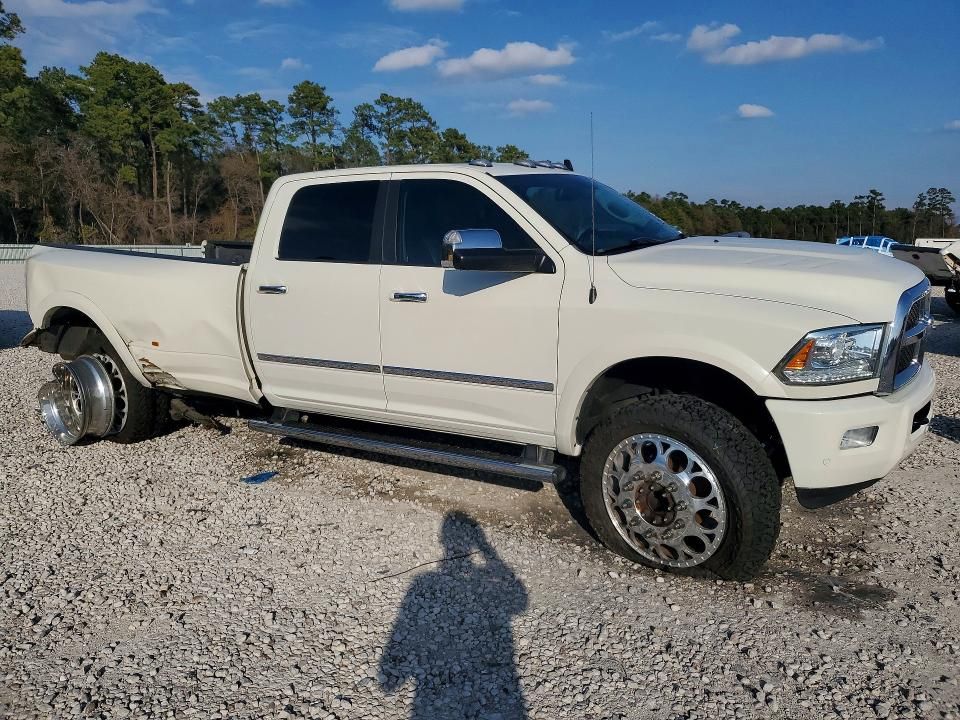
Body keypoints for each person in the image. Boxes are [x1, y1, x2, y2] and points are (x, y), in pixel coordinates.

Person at [379, 511, 529, 719]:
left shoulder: (423, 580)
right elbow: (520, 603)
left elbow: (402, 623)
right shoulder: (426, 580)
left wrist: (391, 672)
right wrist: (488, 553)